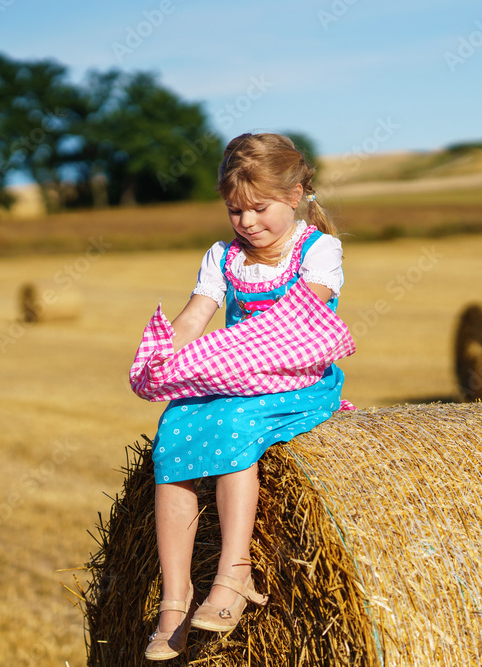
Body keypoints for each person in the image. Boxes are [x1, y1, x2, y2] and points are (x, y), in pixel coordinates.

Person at [136, 132, 352, 661]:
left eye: (260, 208)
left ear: (297, 193)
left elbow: (299, 320)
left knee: (235, 428)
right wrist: (166, 353)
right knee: (174, 429)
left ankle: (234, 573)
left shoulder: (318, 250)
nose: (248, 222)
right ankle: (175, 596)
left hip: (296, 381)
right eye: (235, 211)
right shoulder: (222, 257)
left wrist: (225, 357)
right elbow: (194, 315)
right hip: (234, 380)